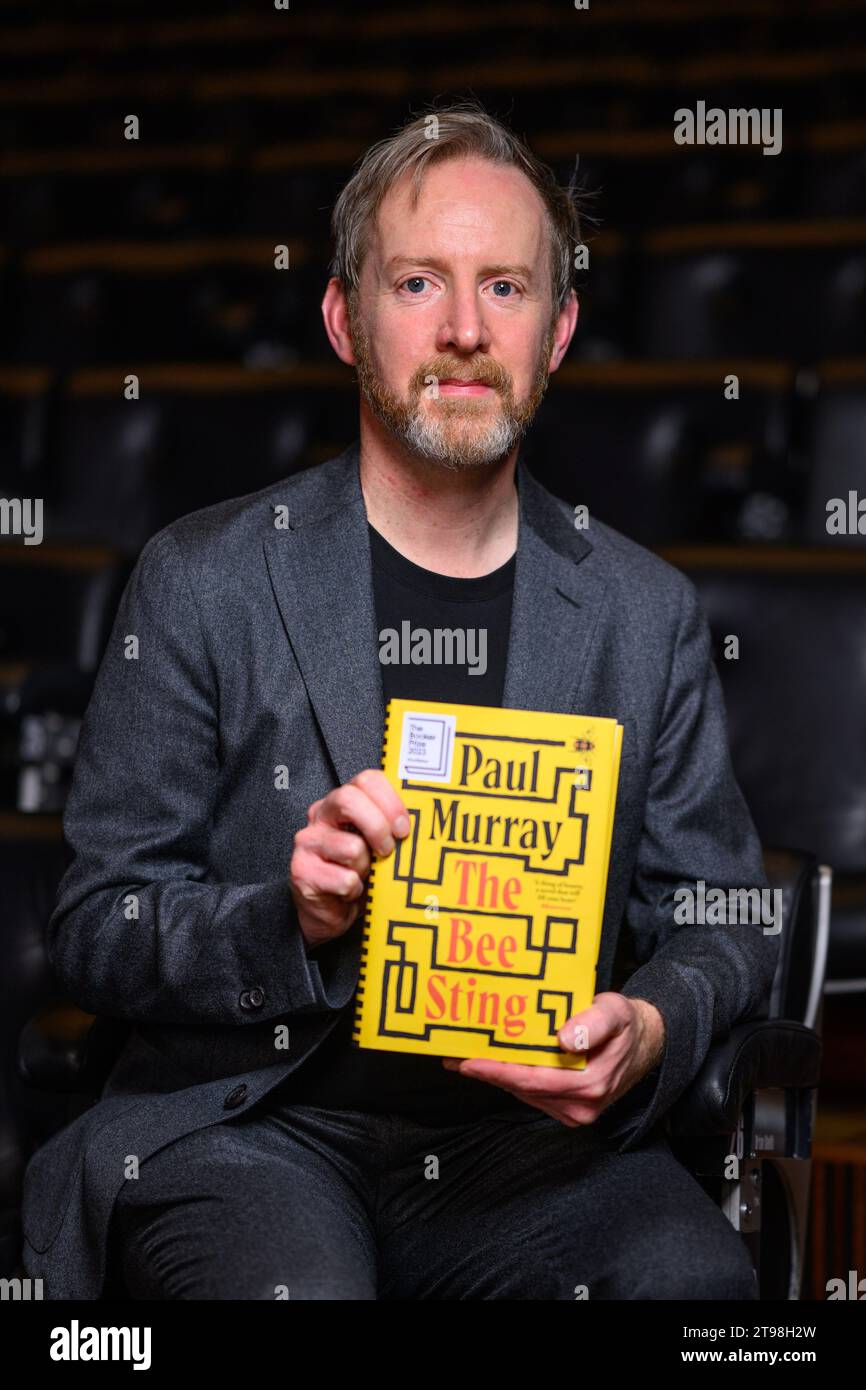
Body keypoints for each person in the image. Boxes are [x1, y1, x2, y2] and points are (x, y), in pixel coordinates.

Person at [21, 99, 778, 1300]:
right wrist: (292, 917)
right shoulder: (202, 576)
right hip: (250, 1125)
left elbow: (726, 912)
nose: (467, 330)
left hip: (531, 1150)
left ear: (561, 329)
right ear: (341, 318)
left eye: (507, 289)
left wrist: (651, 1024)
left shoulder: (645, 613)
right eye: (419, 283)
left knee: (696, 1297)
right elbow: (96, 925)